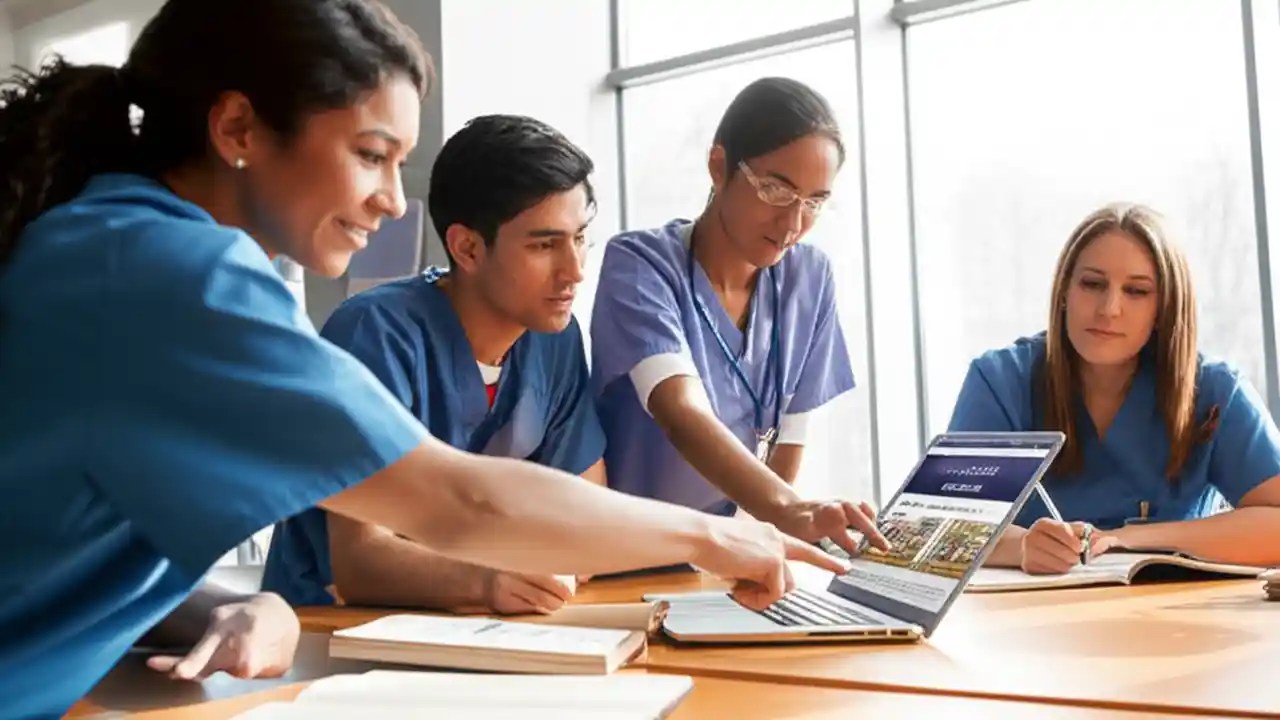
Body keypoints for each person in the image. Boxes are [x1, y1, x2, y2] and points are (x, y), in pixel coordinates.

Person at [0, 2, 845, 716]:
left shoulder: (114, 244)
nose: (394, 202)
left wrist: (233, 604)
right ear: (237, 129)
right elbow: (459, 501)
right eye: (371, 155)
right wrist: (722, 537)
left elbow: (67, 539)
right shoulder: (173, 272)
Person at [264, 115, 606, 614]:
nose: (574, 271)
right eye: (544, 245)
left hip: (488, 624)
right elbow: (360, 562)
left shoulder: (554, 337)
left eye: (579, 238)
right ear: (467, 247)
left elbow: (587, 512)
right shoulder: (375, 334)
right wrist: (490, 577)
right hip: (327, 628)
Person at [590, 77, 886, 555]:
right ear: (719, 166)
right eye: (775, 190)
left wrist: (754, 541)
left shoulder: (809, 277)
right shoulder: (640, 264)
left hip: (728, 557)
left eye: (814, 202)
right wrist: (791, 510)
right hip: (630, 553)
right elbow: (680, 411)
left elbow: (790, 436)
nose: (793, 224)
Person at [948, 203, 1280, 574]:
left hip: (1172, 607)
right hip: (1028, 608)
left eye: (1137, 291)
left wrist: (1127, 538)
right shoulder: (1000, 381)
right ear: (1064, 291)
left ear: (1164, 308)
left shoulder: (1215, 391)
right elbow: (944, 527)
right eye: (1092, 284)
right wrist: (1021, 548)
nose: (1109, 308)